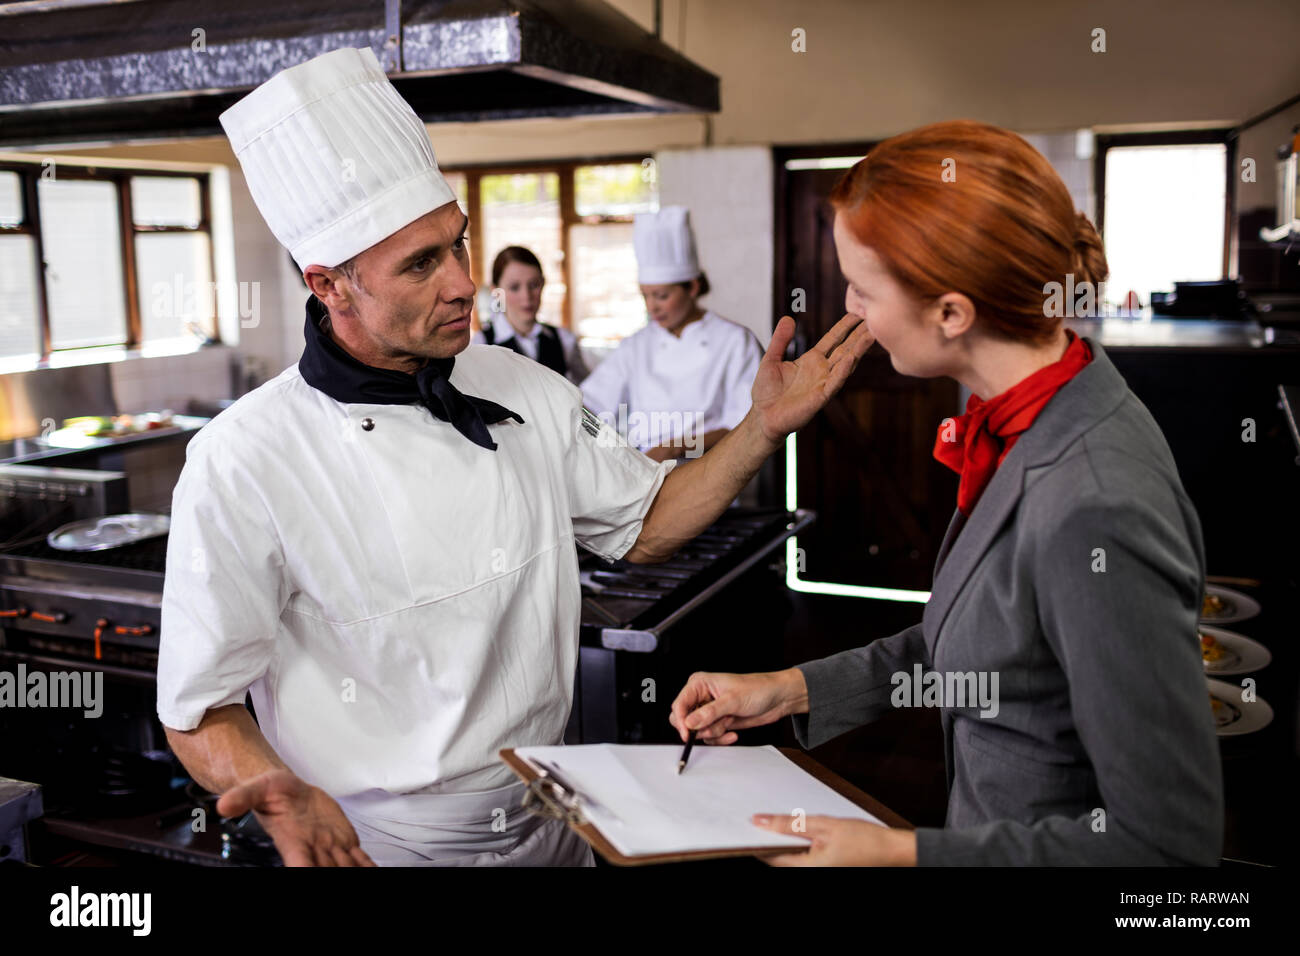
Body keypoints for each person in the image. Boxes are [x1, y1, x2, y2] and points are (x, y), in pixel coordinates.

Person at [154, 47, 874, 867]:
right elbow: (199, 706)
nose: (465, 285)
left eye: (458, 245)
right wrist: (283, 796)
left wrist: (758, 428)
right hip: (381, 848)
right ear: (328, 285)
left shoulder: (524, 386)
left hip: (554, 816)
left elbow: (644, 525)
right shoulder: (243, 459)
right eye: (422, 265)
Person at [669, 120, 1224, 866]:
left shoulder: (1096, 505)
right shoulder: (1024, 413)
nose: (850, 309)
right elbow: (984, 649)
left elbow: (1165, 847)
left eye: (863, 289)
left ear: (952, 313)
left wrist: (899, 853)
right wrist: (785, 689)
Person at [580, 206, 763, 461]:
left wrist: (675, 448)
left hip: (711, 472)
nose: (652, 306)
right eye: (646, 295)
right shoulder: (636, 345)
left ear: (692, 287)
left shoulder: (735, 341)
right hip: (648, 473)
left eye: (662, 296)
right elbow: (590, 405)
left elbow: (748, 424)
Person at [471, 245, 589, 384]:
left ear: (543, 284)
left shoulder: (565, 340)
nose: (526, 297)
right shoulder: (480, 346)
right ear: (496, 292)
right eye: (514, 287)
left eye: (534, 285)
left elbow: (588, 393)